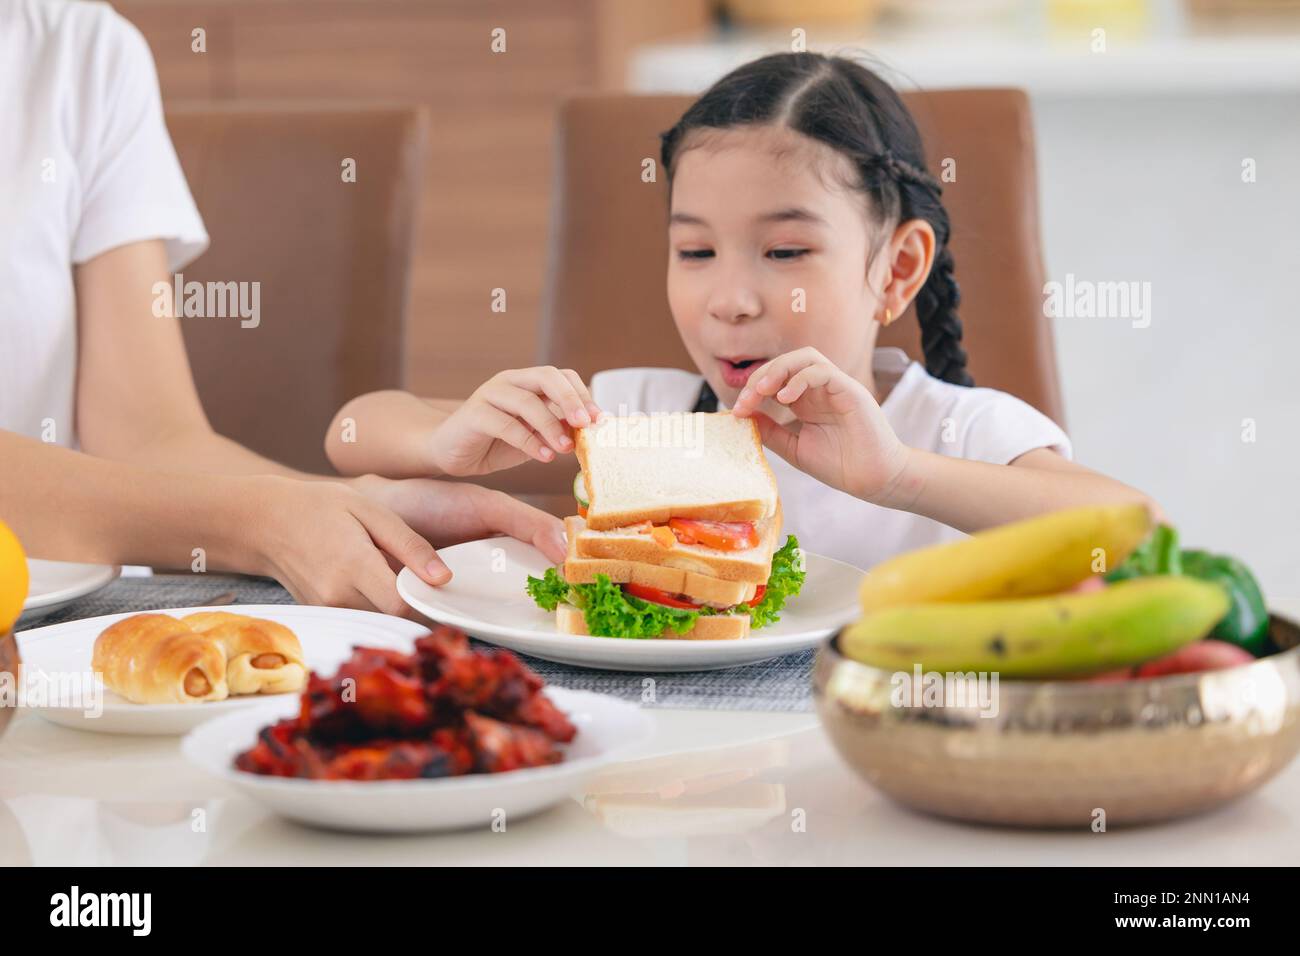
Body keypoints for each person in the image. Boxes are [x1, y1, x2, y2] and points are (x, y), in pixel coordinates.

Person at [324, 52, 1159, 571]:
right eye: (695, 252)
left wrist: (899, 477)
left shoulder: (956, 431)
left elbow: (1137, 532)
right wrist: (443, 442)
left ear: (896, 269)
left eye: (787, 253)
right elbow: (355, 431)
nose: (728, 301)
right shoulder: (648, 415)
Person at [0, 0, 565, 615]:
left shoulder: (81, 47)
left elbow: (145, 436)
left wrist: (354, 506)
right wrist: (259, 524)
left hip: (45, 624)